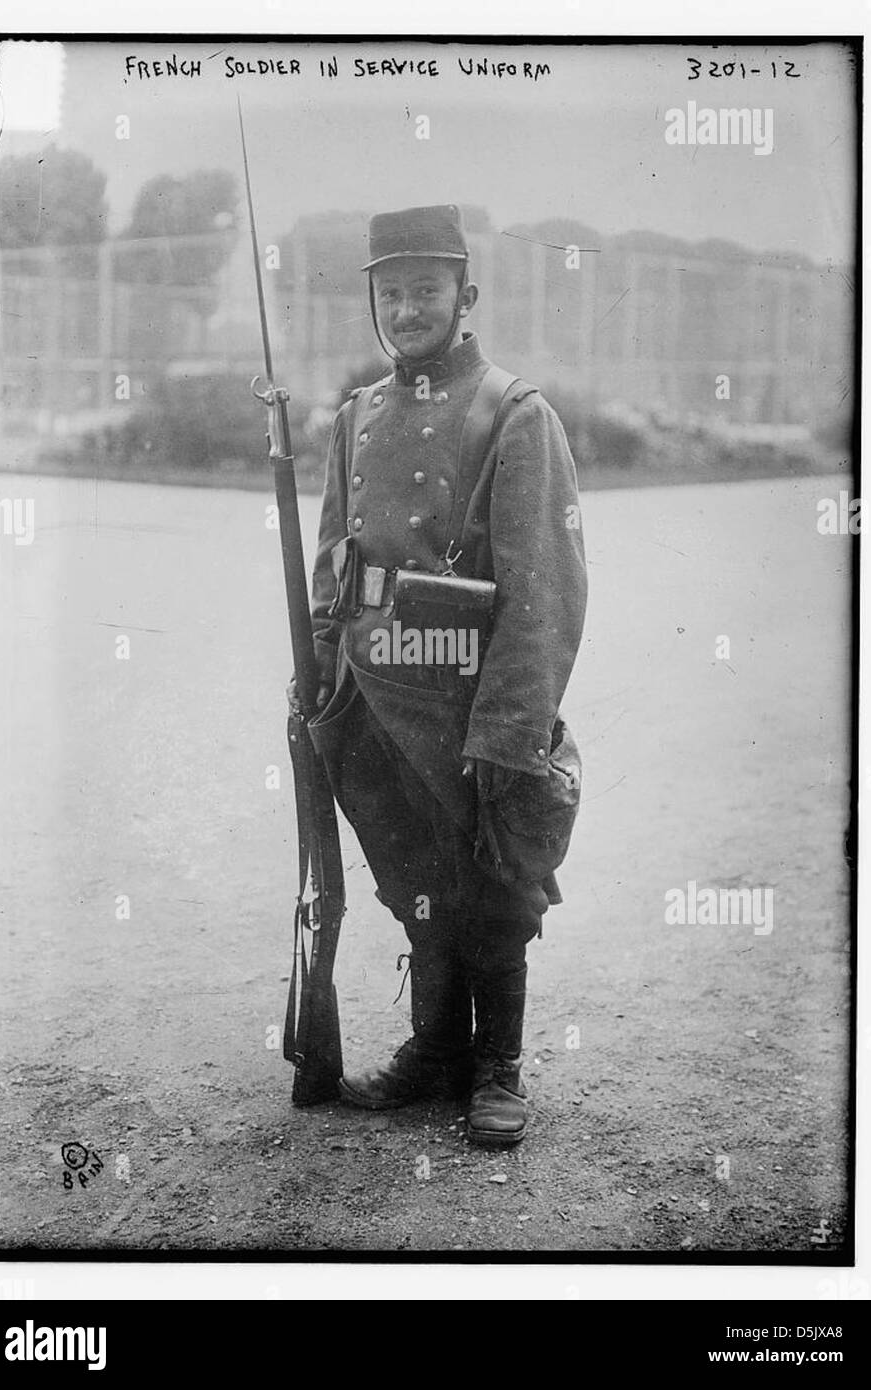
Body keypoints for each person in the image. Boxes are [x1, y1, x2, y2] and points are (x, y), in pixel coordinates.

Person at [293, 204, 587, 1147]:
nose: (408, 309)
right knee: (409, 877)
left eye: (427, 290)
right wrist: (319, 680)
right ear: (374, 305)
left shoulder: (513, 412)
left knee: (496, 879)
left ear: (464, 297)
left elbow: (542, 588)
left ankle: (496, 1065)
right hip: (374, 699)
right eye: (392, 293)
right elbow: (335, 566)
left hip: (466, 694)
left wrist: (511, 729)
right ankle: (436, 1051)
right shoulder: (355, 417)